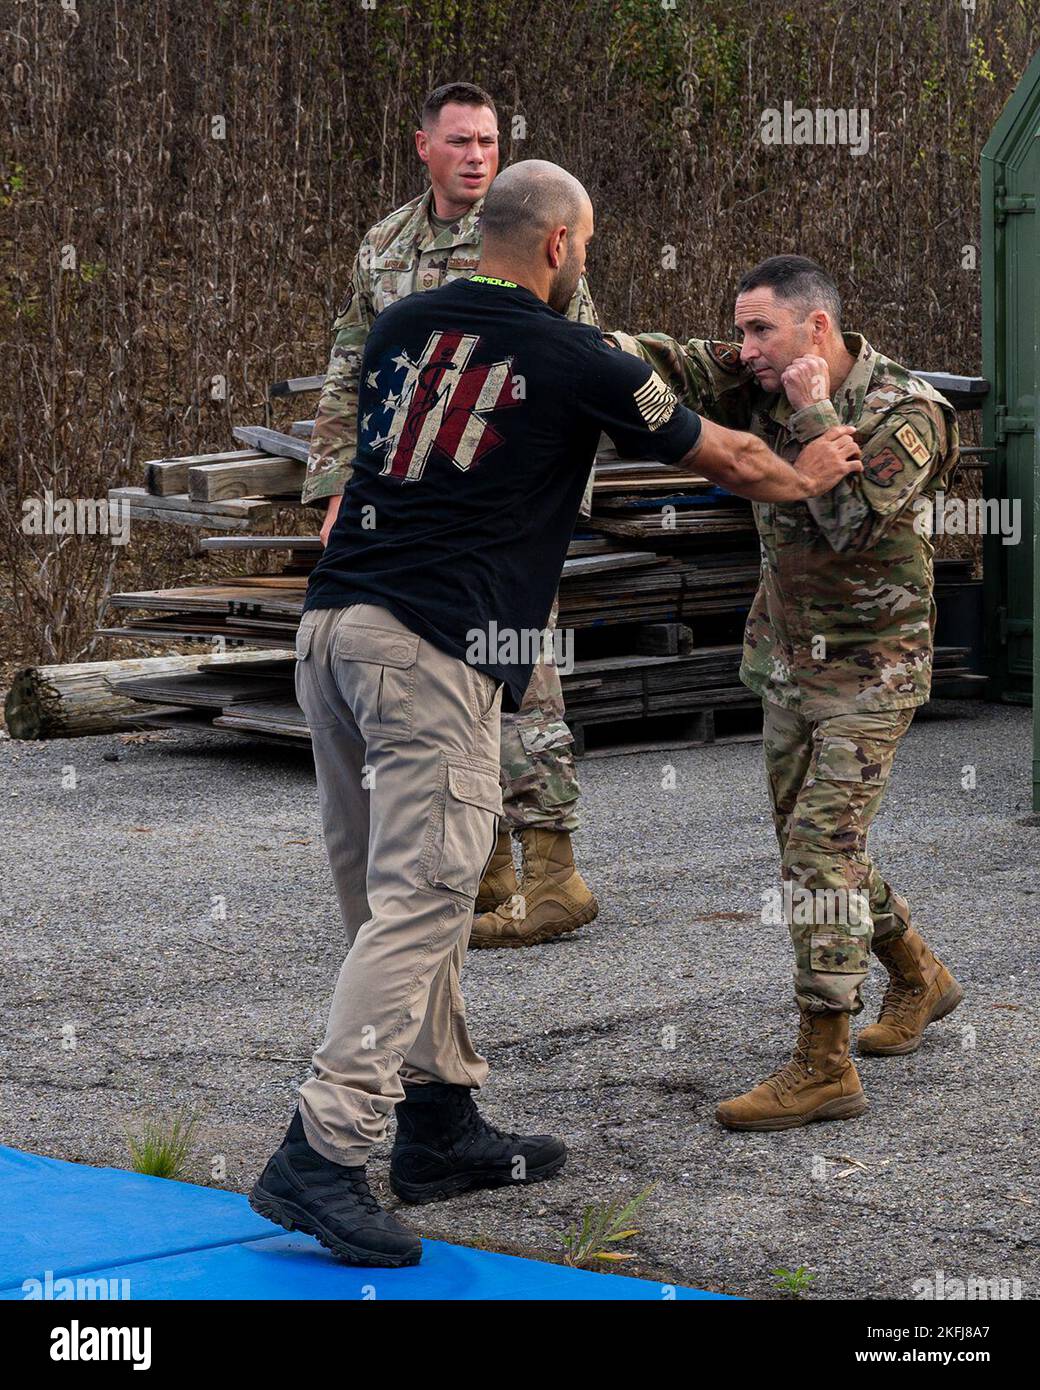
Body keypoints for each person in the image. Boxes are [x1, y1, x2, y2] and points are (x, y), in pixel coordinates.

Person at [250, 168, 862, 1266]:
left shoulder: (400, 324)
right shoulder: (576, 356)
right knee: (426, 896)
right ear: (559, 246)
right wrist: (806, 464)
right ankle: (324, 1151)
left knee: (394, 902)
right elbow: (722, 457)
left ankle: (436, 1125)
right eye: (585, 244)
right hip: (427, 648)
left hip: (330, 630)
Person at [609, 255, 964, 1133]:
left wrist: (813, 413)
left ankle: (824, 1063)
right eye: (740, 329)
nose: (745, 348)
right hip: (789, 663)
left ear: (817, 329)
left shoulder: (909, 413)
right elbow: (666, 362)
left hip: (873, 667)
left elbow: (849, 524)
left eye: (759, 330)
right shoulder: (757, 379)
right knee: (819, 849)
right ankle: (919, 976)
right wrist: (568, 337)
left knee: (817, 853)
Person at [302, 81, 598, 950]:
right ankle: (481, 866)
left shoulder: (527, 231)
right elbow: (349, 369)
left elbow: (578, 367)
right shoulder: (385, 246)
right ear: (423, 145)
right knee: (436, 677)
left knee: (518, 672)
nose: (478, 155)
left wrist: (550, 511)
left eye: (490, 141)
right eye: (462, 141)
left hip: (498, 505)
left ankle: (555, 870)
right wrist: (333, 490)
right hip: (403, 504)